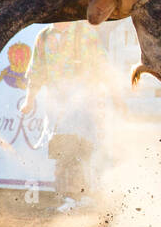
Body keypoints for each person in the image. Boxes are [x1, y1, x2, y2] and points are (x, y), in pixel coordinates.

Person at [20, 21, 111, 212]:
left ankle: (86, 196)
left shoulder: (84, 31)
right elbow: (36, 72)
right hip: (57, 103)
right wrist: (29, 100)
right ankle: (70, 197)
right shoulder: (44, 36)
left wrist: (101, 94)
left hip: (84, 99)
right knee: (63, 150)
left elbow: (101, 64)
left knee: (85, 147)